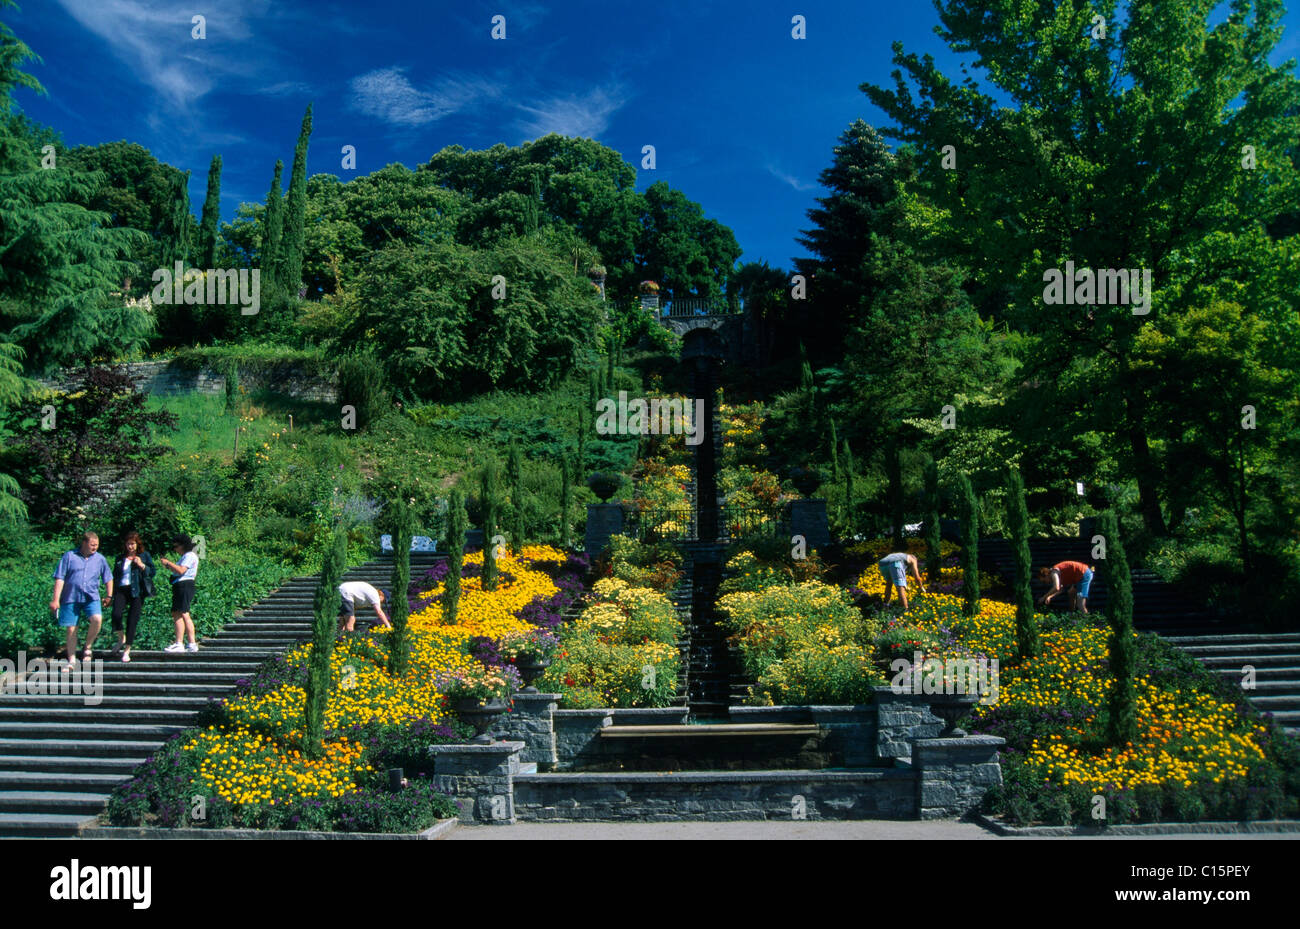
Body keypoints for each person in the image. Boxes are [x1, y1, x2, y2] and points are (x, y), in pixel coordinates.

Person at [49, 531, 113, 671]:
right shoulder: (69, 556)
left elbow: (108, 577)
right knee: (71, 628)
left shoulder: (100, 559)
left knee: (97, 619)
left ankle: (87, 646)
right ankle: (71, 660)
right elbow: (60, 578)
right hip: (70, 597)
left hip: (91, 597)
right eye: (92, 545)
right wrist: (55, 600)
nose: (95, 547)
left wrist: (109, 596)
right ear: (84, 543)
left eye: (97, 545)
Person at [110, 531, 156, 663]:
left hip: (136, 591)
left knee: (132, 620)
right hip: (121, 590)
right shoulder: (120, 558)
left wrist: (142, 565)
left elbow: (152, 572)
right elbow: (115, 576)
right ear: (125, 545)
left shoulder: (144, 556)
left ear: (137, 544)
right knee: (116, 614)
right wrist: (110, 595)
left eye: (133, 544)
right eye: (128, 544)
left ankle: (127, 650)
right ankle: (121, 638)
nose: (130, 547)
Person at [158, 535, 200, 653]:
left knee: (183, 613)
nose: (175, 549)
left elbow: (181, 570)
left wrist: (168, 563)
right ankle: (182, 642)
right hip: (181, 585)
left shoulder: (189, 556)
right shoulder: (186, 556)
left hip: (184, 585)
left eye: (176, 546)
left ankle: (188, 643)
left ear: (183, 545)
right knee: (177, 613)